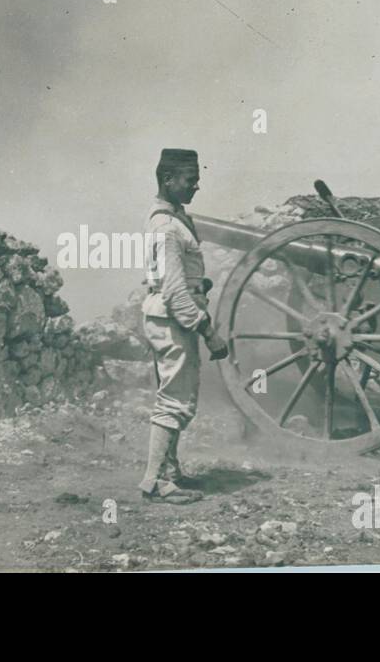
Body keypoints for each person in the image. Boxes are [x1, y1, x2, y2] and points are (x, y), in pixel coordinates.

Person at [139, 148, 227, 504]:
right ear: (168, 180)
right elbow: (174, 292)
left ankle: (169, 473)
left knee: (177, 397)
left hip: (169, 317)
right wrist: (208, 331)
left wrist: (199, 286)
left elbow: (175, 281)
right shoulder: (168, 227)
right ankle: (154, 482)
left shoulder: (173, 220)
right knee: (175, 401)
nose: (196, 186)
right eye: (190, 180)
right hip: (173, 320)